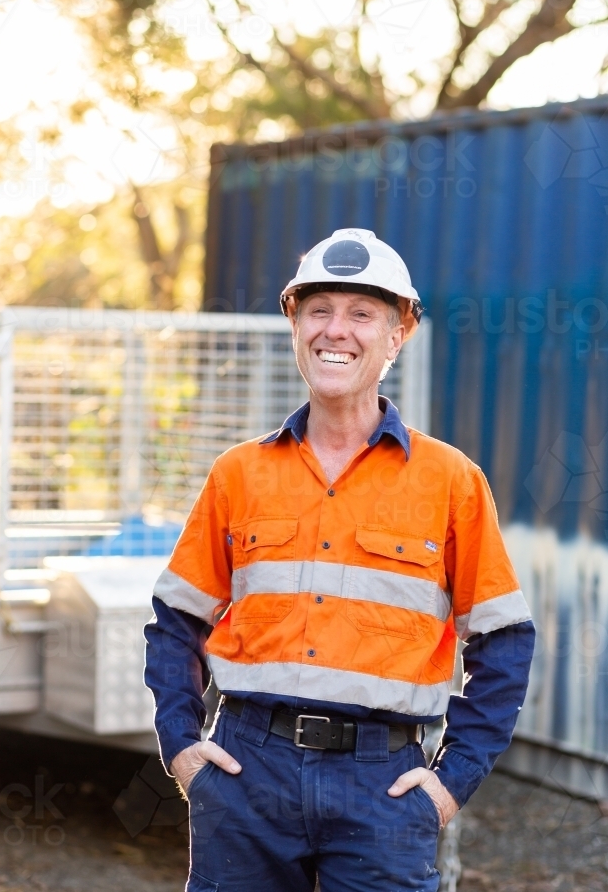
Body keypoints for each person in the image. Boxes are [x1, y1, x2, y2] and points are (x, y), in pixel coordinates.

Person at [145, 227, 535, 892]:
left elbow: (503, 644)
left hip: (381, 787)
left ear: (398, 334)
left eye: (361, 314)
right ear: (293, 323)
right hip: (245, 774)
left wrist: (446, 786)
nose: (336, 331)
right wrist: (182, 749)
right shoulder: (236, 474)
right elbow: (175, 623)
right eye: (319, 309)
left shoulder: (450, 480)